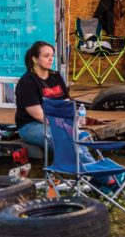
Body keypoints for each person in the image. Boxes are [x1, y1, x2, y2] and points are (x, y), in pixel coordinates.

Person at [15, 41, 110, 185]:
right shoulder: (28, 81)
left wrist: (69, 122)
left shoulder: (56, 76)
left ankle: (97, 178)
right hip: (31, 125)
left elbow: (66, 103)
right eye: (46, 56)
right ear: (35, 59)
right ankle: (106, 179)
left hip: (58, 123)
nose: (50, 59)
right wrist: (61, 126)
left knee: (79, 139)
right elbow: (38, 115)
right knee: (66, 140)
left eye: (52, 56)